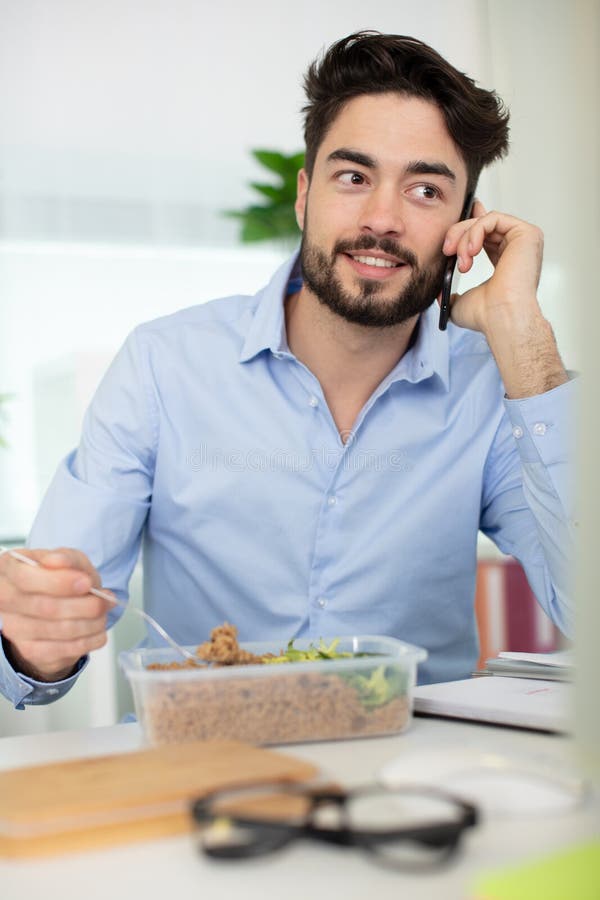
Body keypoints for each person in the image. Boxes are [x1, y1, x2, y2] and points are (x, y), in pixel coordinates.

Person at [0, 31, 575, 708]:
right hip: (202, 755)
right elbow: (37, 636)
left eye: (425, 190)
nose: (382, 218)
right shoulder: (163, 365)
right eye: (353, 177)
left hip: (414, 763)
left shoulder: (491, 387)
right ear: (305, 197)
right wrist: (35, 638)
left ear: (466, 226)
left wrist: (524, 336)